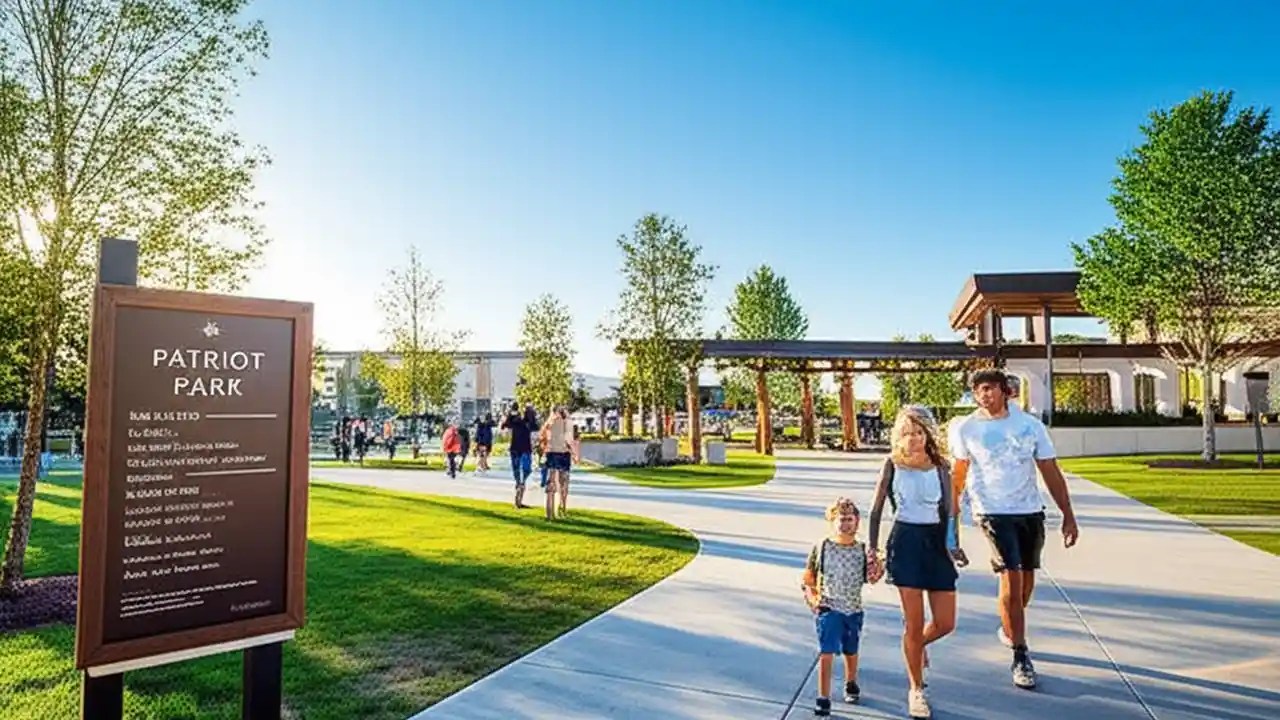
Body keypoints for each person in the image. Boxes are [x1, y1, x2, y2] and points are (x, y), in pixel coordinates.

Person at [948, 368, 1079, 691]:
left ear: (1005, 390)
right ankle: (1021, 655)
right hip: (991, 511)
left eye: (990, 388)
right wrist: (952, 517)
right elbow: (959, 474)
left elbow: (1050, 470)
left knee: (1026, 582)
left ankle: (1009, 628)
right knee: (1012, 576)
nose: (985, 394)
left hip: (1029, 511)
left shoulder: (1030, 426)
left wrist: (1068, 514)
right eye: (979, 390)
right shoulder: (966, 428)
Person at [869, 407, 967, 719]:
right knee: (913, 622)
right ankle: (916, 689)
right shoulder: (892, 465)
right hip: (905, 543)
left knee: (945, 623)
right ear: (899, 436)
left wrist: (954, 545)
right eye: (907, 433)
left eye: (919, 432)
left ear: (928, 435)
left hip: (936, 544)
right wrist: (873, 550)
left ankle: (916, 645)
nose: (913, 439)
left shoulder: (941, 467)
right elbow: (875, 511)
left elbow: (950, 512)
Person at [801, 497, 882, 716]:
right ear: (832, 521)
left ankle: (851, 681)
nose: (845, 524)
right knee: (826, 652)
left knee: (851, 649)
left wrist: (878, 565)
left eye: (849, 519)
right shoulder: (822, 547)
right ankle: (823, 697)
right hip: (829, 607)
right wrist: (813, 598)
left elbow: (872, 577)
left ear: (857, 522)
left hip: (853, 608)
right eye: (840, 519)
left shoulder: (862, 550)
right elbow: (808, 578)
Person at [501, 404, 534, 508]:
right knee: (524, 471)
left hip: (517, 449)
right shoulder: (523, 421)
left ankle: (519, 494)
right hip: (523, 449)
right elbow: (505, 425)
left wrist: (511, 414)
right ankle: (519, 493)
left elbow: (505, 424)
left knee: (519, 472)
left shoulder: (517, 420)